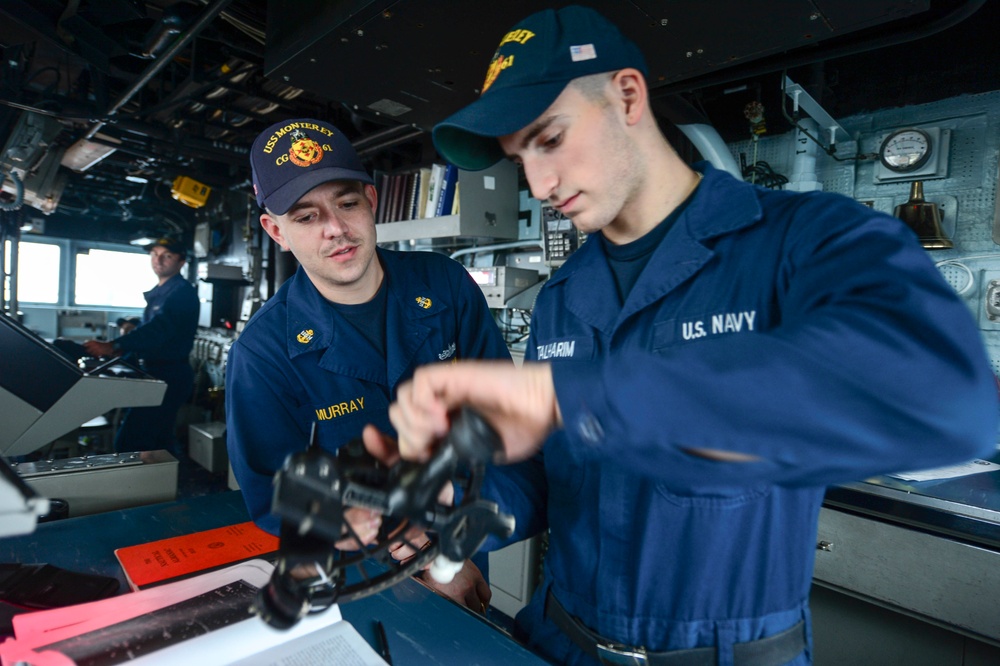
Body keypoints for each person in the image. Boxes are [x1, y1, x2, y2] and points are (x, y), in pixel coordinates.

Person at [385, 6, 999, 665]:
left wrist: (576, 398)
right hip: (559, 642)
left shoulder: (804, 239)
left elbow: (946, 397)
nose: (539, 184)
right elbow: (548, 473)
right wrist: (456, 508)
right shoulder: (566, 294)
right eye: (517, 158)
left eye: (550, 139)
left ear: (626, 95)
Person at [225, 117, 512, 612]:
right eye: (306, 216)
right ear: (276, 231)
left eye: (347, 203)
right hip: (352, 570)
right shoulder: (264, 350)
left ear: (372, 201)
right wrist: (417, 550)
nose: (336, 229)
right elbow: (273, 492)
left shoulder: (445, 286)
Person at [83, 237, 199, 455]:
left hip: (168, 374)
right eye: (154, 254)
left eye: (167, 255)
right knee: (157, 440)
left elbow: (159, 330)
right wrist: (128, 335)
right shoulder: (163, 292)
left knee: (130, 443)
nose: (159, 260)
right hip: (154, 371)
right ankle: (165, 484)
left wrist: (114, 345)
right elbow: (152, 326)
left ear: (181, 262)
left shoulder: (181, 292)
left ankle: (152, 485)